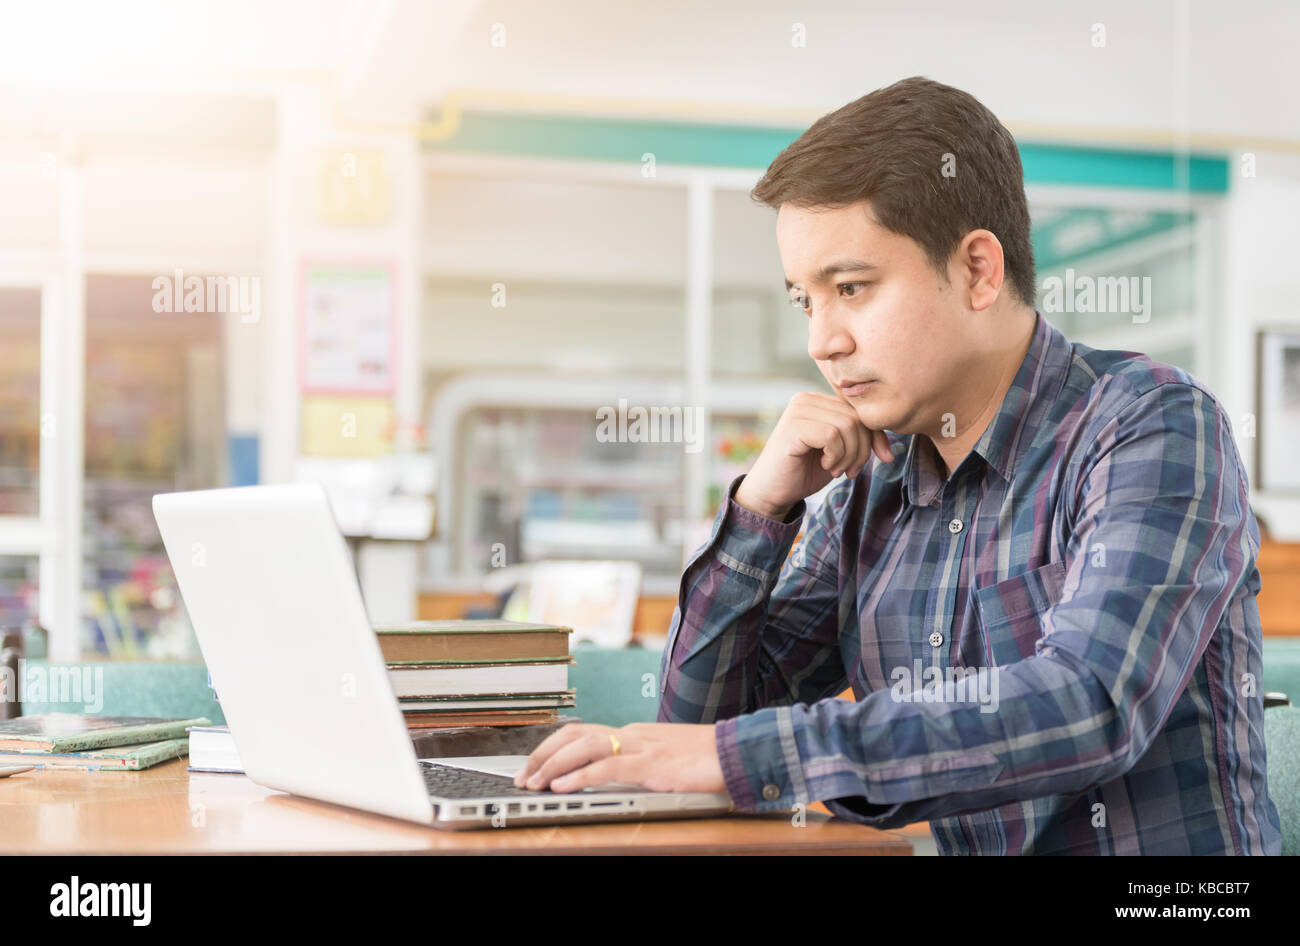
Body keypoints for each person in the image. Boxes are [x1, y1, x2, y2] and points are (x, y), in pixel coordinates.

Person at [513, 76, 1282, 855]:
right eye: (804, 301)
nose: (822, 340)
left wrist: (737, 759)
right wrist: (761, 510)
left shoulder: (1152, 422)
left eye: (851, 287)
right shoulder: (870, 484)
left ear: (979, 271)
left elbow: (1088, 705)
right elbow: (697, 733)